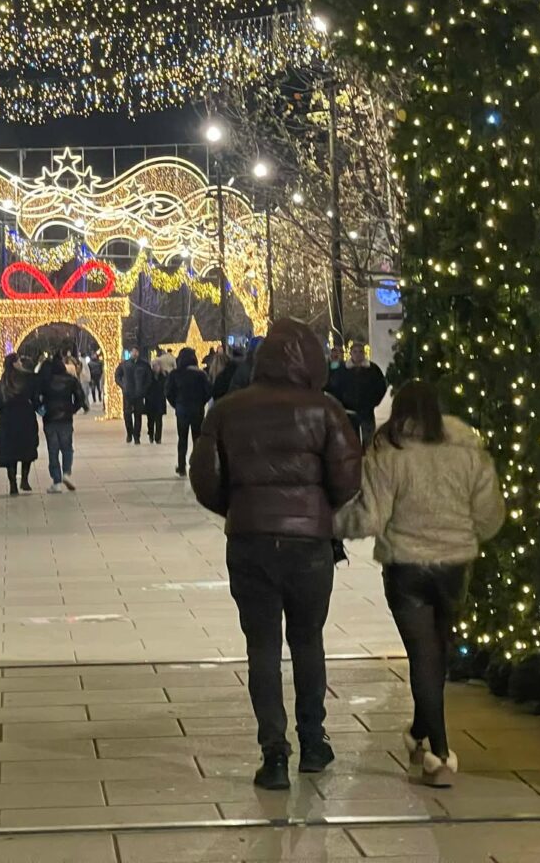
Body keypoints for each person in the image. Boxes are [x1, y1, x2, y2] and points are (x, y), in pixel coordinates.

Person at [190, 318, 362, 792]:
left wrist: (240, 508)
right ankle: (313, 741)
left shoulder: (227, 410)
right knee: (308, 640)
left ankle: (274, 753)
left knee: (262, 647)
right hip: (310, 545)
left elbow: (205, 479)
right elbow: (348, 478)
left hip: (250, 542)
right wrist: (316, 511)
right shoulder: (325, 410)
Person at [334, 381, 504, 789]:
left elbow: (371, 517)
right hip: (454, 566)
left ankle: (439, 754)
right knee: (437, 650)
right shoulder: (467, 446)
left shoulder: (387, 448)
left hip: (406, 566)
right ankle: (418, 732)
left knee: (423, 656)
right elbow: (490, 513)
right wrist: (467, 534)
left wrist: (329, 523)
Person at [40, 355, 89, 493]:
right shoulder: (71, 380)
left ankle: (56, 481)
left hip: (50, 418)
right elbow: (80, 398)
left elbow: (37, 397)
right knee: (67, 447)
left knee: (53, 450)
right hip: (66, 419)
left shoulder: (46, 381)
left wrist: (42, 410)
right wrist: (72, 409)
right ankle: (66, 472)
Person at [0, 353, 41, 495]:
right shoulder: (28, 379)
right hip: (25, 417)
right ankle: (25, 480)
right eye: (19, 361)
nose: (21, 363)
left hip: (8, 419)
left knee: (10, 452)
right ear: (14, 363)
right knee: (27, 449)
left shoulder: (3, 381)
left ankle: (13, 483)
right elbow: (35, 398)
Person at [165, 347, 211, 477]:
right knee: (197, 438)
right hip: (197, 409)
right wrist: (201, 402)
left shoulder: (175, 374)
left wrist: (176, 404)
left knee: (182, 438)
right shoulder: (200, 374)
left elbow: (168, 392)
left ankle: (181, 466)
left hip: (182, 409)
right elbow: (208, 391)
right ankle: (198, 465)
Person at [349, 344, 389, 441]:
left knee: (368, 439)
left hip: (367, 412)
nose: (358, 354)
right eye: (355, 352)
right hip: (348, 413)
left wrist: (373, 402)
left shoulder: (373, 369)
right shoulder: (344, 370)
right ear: (351, 353)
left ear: (364, 353)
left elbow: (381, 386)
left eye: (360, 351)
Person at [114, 348, 154, 443]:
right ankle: (129, 433)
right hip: (128, 393)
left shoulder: (144, 365)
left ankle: (136, 436)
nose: (135, 353)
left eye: (136, 351)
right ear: (130, 353)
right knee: (127, 414)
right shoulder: (124, 364)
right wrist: (123, 385)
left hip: (139, 394)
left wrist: (144, 389)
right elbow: (117, 376)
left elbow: (149, 378)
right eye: (133, 351)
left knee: (138, 415)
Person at [145, 349, 170, 445]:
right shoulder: (148, 375)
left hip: (159, 400)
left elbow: (167, 387)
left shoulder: (164, 376)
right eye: (153, 365)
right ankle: (151, 434)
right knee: (150, 420)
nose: (155, 367)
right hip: (150, 400)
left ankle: (158, 437)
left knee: (159, 420)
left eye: (156, 365)